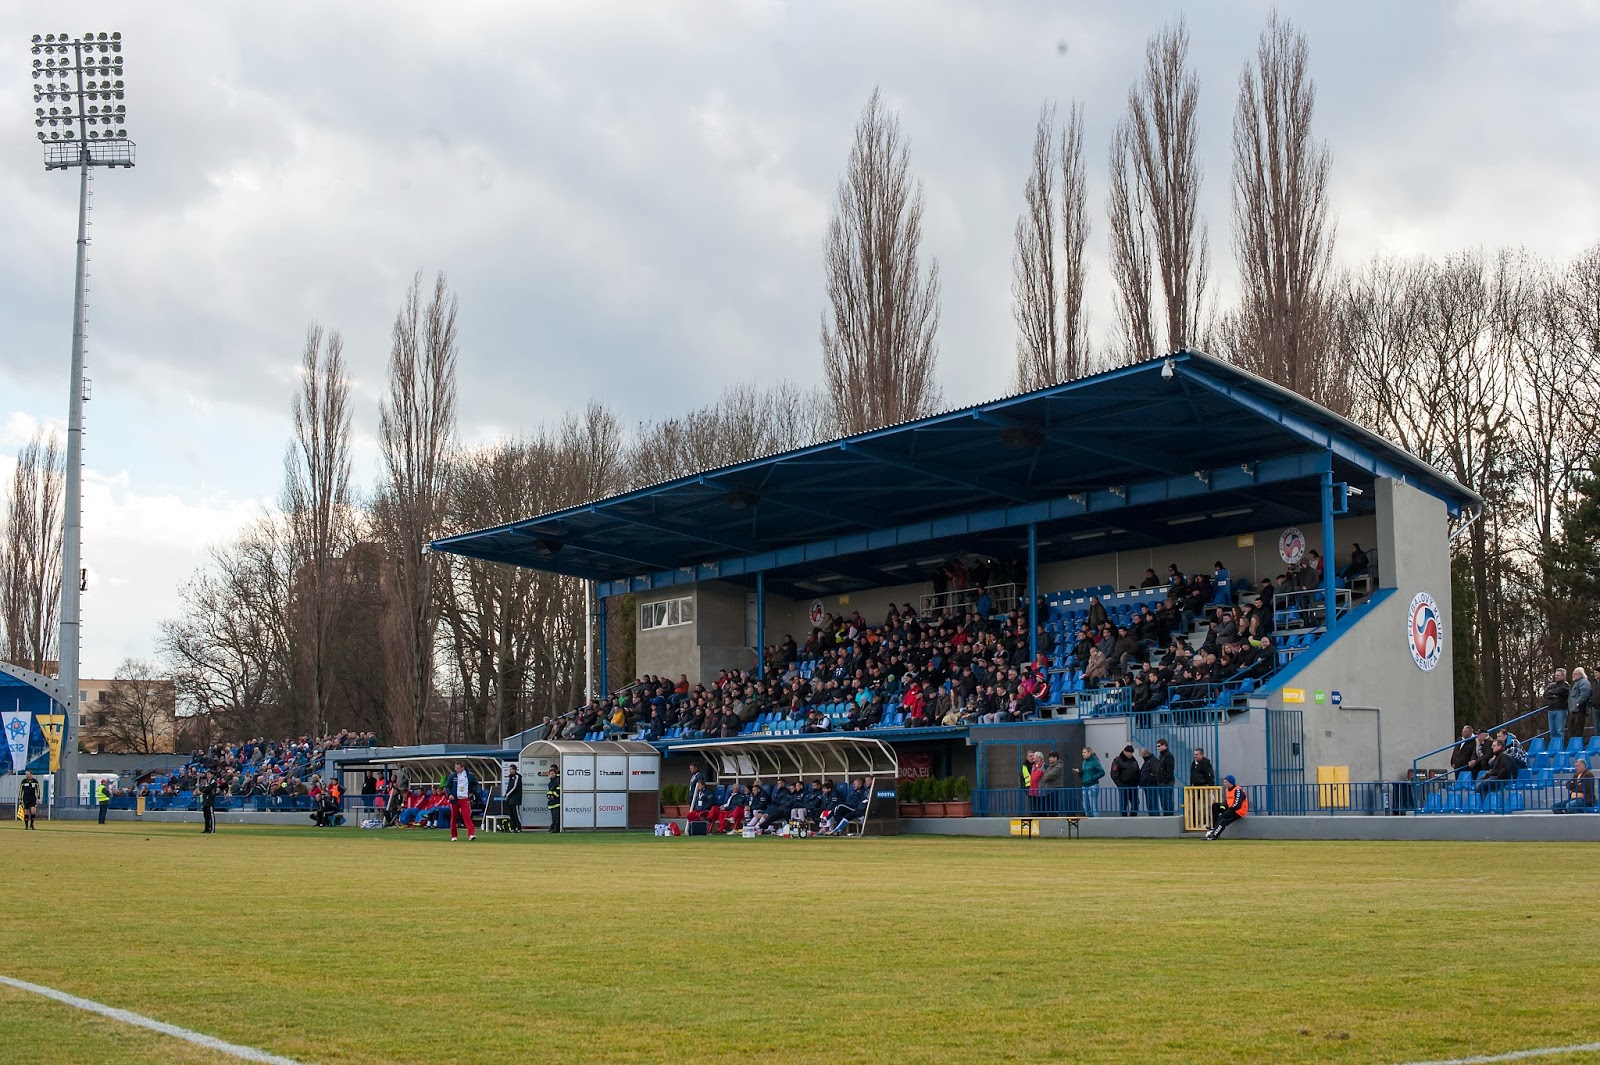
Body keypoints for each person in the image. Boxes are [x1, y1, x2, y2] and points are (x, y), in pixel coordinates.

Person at [447, 762, 477, 841]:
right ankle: (454, 835)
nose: (456, 769)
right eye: (455, 768)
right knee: (453, 818)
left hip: (464, 799)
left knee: (467, 817)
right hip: (455, 799)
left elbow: (475, 784)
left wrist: (472, 792)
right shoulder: (452, 776)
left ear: (462, 768)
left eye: (458, 768)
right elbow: (447, 786)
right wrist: (450, 794)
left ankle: (471, 834)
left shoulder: (470, 775)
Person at [1542, 669, 1571, 746]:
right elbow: (1545, 694)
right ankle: (1553, 746)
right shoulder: (1551, 685)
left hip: (1560, 709)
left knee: (1559, 730)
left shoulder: (1566, 685)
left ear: (1563, 676)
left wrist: (1551, 693)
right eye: (1555, 675)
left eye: (1558, 675)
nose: (1556, 677)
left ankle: (1560, 746)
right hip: (1551, 709)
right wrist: (1554, 694)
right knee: (1552, 731)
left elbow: (1560, 691)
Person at [1111, 745, 1141, 817]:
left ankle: (1133, 816)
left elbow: (1138, 771)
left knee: (1135, 802)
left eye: (1132, 753)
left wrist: (1137, 782)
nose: (1131, 754)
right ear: (1125, 752)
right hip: (1123, 786)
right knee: (1123, 803)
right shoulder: (1117, 760)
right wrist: (1120, 785)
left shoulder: (1133, 760)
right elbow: (1114, 774)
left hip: (1133, 785)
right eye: (1130, 753)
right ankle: (1123, 817)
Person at [1076, 747, 1104, 816]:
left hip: (1093, 785)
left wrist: (1093, 777)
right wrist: (1080, 773)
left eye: (1084, 752)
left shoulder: (1095, 761)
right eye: (1082, 752)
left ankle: (1096, 820)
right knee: (1085, 806)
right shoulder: (1084, 762)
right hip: (1085, 785)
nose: (1083, 754)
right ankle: (1089, 820)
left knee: (1093, 806)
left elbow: (1102, 772)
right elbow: (1084, 774)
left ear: (1089, 752)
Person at [1154, 740, 1176, 816]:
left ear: (1164, 745)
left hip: (1166, 783)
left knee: (1167, 801)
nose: (1158, 748)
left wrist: (1165, 780)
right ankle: (1166, 814)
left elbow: (1170, 769)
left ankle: (1169, 815)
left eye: (1159, 746)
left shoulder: (1168, 756)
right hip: (1162, 782)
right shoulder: (1162, 756)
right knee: (1163, 801)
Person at [1570, 667, 1592, 743]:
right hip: (1574, 709)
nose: (1573, 675)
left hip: (1580, 709)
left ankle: (1578, 744)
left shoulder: (1584, 682)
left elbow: (1585, 693)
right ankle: (1573, 744)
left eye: (1575, 674)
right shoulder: (1576, 683)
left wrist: (1578, 702)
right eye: (1573, 674)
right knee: (1572, 728)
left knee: (1578, 728)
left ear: (1581, 674)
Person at [504, 765, 524, 833]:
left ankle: (519, 827)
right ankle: (513, 827)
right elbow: (509, 787)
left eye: (511, 769)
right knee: (511, 814)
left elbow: (515, 787)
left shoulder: (517, 777)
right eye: (509, 769)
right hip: (510, 799)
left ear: (514, 770)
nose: (509, 771)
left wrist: (508, 794)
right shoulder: (510, 777)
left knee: (516, 813)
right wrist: (506, 795)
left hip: (515, 798)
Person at [545, 765, 561, 833]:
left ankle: (556, 828)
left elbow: (558, 792)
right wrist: (549, 795)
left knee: (556, 816)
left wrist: (552, 794)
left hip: (556, 802)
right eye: (550, 773)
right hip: (551, 802)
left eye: (553, 773)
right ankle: (553, 826)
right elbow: (549, 792)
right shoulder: (550, 782)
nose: (551, 775)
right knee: (553, 816)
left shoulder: (557, 781)